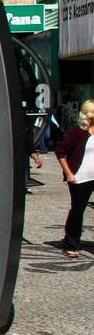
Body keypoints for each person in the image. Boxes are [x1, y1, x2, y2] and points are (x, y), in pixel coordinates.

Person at [54, 99, 94, 257]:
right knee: (78, 210)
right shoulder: (78, 132)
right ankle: (70, 243)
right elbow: (60, 151)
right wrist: (69, 173)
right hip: (80, 177)